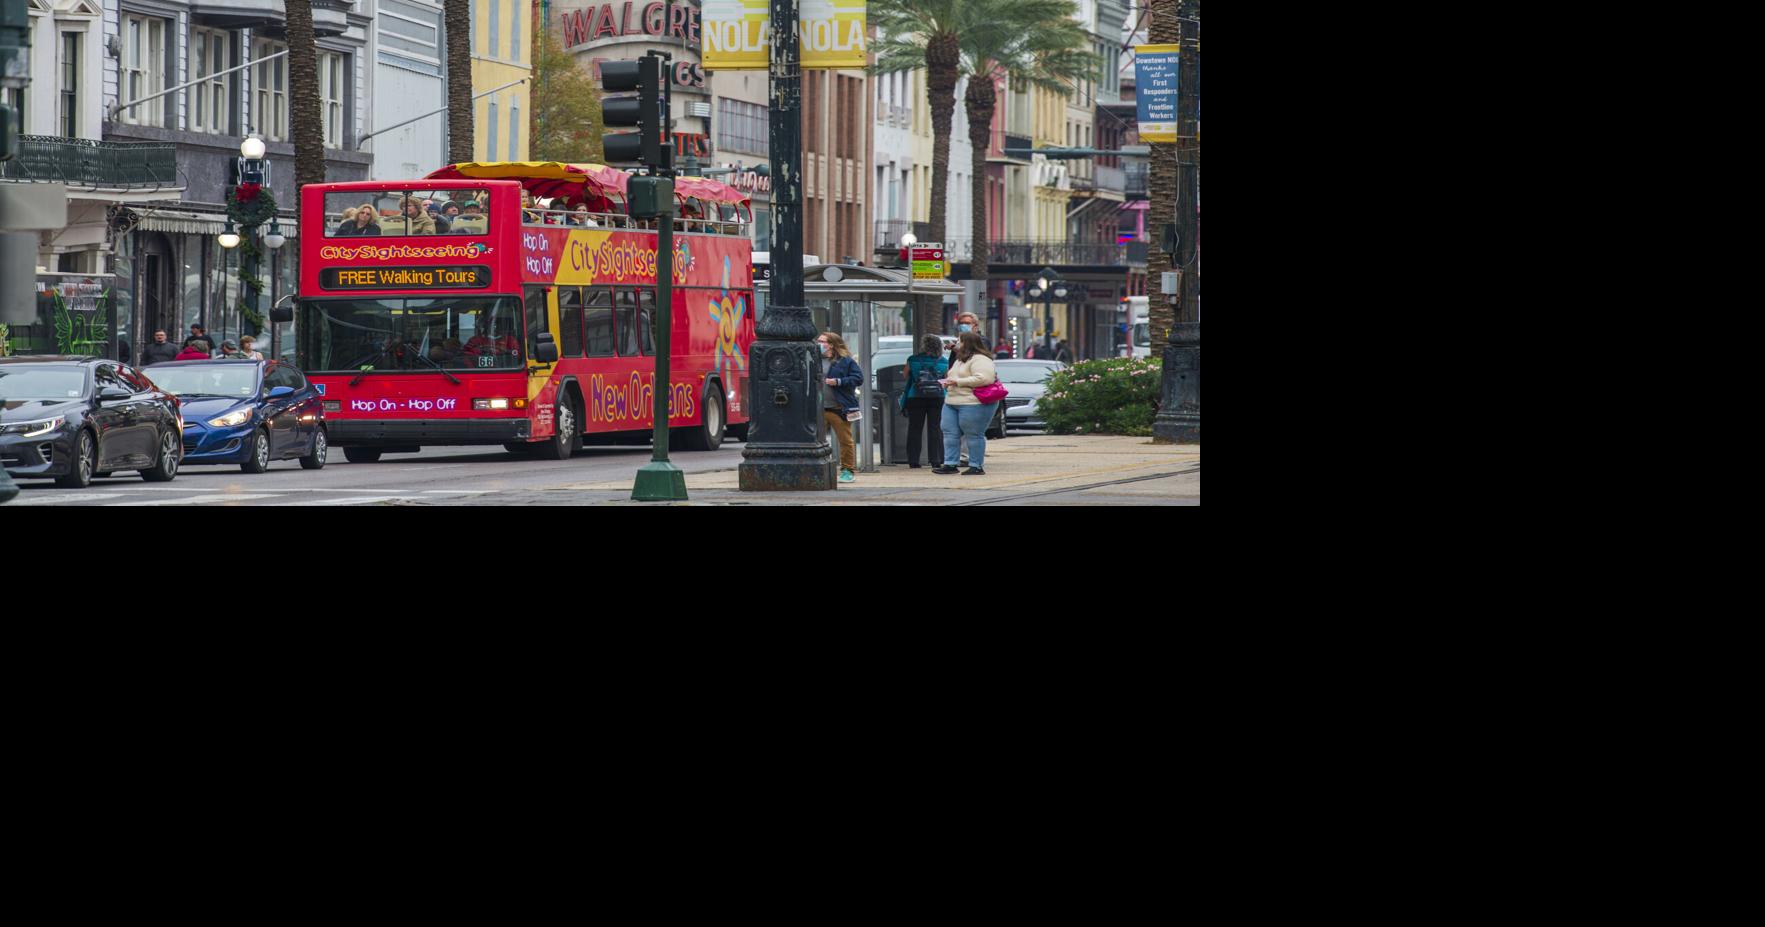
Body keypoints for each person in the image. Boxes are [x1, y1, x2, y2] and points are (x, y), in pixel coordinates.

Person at [936, 331, 998, 476]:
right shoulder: (960, 359)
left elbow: (984, 378)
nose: (957, 343)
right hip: (952, 400)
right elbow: (953, 376)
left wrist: (957, 382)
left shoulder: (981, 359)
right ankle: (950, 464)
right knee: (949, 433)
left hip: (973, 402)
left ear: (968, 343)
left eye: (960, 341)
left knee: (973, 434)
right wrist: (948, 382)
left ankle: (976, 465)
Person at [816, 332, 863, 484]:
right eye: (818, 341)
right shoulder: (814, 360)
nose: (818, 344)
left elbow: (858, 378)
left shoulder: (845, 361)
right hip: (818, 409)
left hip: (839, 408)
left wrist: (839, 381)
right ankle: (817, 468)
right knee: (815, 441)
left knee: (845, 440)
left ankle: (847, 470)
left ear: (831, 344)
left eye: (822, 341)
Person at [898, 334, 948, 469]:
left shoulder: (913, 359)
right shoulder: (943, 361)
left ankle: (913, 460)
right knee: (935, 428)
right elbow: (946, 378)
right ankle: (936, 460)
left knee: (915, 428)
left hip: (916, 397)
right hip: (937, 397)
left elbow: (905, 375)